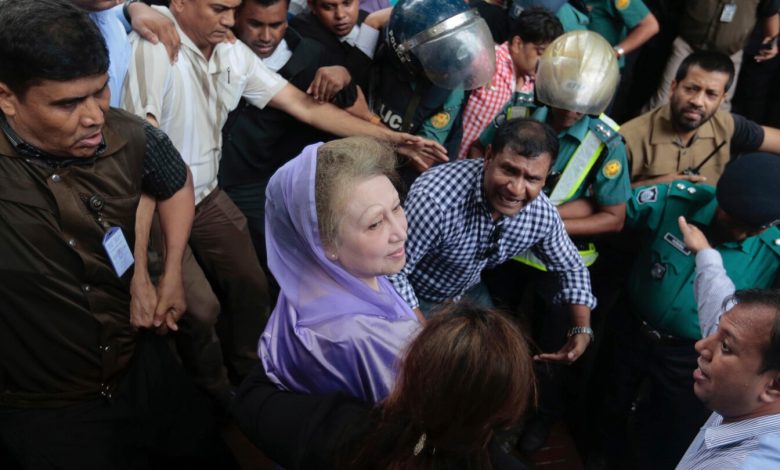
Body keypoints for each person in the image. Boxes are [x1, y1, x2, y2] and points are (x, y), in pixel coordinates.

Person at [122, 0, 444, 403]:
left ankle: (255, 373)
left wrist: (391, 138)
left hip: (206, 193)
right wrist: (142, 272)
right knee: (199, 310)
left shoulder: (230, 51)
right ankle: (215, 395)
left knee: (252, 283)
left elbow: (303, 106)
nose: (229, 20)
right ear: (180, 3)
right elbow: (141, 164)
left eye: (233, 9)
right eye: (220, 9)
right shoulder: (154, 45)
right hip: (157, 201)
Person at [0, 1, 230, 467]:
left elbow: (175, 180)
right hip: (48, 410)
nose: (93, 116)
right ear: (8, 98)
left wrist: (168, 275)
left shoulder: (130, 135)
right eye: (67, 103)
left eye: (100, 92)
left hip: (143, 369)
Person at [601, 152, 780, 469]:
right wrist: (657, 181)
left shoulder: (773, 251)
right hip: (632, 328)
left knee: (670, 426)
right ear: (721, 202)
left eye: (751, 230)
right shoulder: (679, 200)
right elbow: (611, 207)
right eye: (734, 222)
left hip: (695, 355)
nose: (740, 234)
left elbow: (727, 305)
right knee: (606, 400)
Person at [389, 117, 596, 364]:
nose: (516, 189)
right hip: (416, 293)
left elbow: (571, 265)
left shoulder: (540, 212)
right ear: (488, 157)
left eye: (531, 179)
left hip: (468, 291)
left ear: (545, 178)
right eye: (509, 170)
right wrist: (425, 333)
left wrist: (581, 329)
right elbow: (393, 273)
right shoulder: (436, 200)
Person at [236, 303, 535, 469]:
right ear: (507, 411)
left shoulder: (343, 433)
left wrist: (296, 308)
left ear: (410, 370)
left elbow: (250, 399)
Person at [260, 137, 420, 404]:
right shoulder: (369, 340)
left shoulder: (309, 281)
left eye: (397, 207)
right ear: (325, 243)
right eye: (375, 224)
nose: (400, 232)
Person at [220, 0, 339, 273]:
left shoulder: (309, 56)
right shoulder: (217, 45)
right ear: (236, 17)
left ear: (287, 19)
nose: (265, 36)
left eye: (275, 25)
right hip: (202, 182)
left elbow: (323, 111)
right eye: (256, 24)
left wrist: (343, 77)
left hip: (258, 184)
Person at [674, 220, 780, 469]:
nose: (701, 346)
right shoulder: (749, 388)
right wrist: (705, 253)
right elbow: (721, 308)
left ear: (774, 384)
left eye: (725, 347)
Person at [623, 50, 780, 187]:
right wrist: (654, 185)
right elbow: (601, 202)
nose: (697, 101)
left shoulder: (727, 125)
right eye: (691, 89)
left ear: (722, 100)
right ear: (672, 88)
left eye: (711, 94)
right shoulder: (628, 138)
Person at [459, 7, 563, 160]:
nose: (544, 62)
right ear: (517, 43)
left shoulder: (534, 88)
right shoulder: (485, 62)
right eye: (540, 52)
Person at [643, 0, 780, 112]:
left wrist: (772, 41)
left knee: (719, 107)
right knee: (664, 99)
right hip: (687, 45)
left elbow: (771, 14)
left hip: (730, 54)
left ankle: (706, 145)